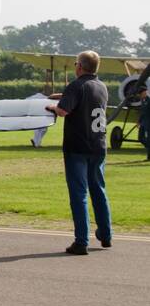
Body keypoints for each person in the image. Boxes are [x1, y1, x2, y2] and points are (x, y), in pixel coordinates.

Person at [45, 50, 111, 255]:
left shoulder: (76, 85)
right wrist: (62, 96)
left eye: (75, 64)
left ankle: (81, 241)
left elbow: (64, 110)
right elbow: (81, 101)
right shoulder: (101, 86)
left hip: (78, 147)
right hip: (98, 145)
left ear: (80, 66)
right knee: (98, 190)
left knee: (79, 194)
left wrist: (52, 107)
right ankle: (106, 234)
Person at [137, 84, 149, 161]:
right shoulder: (143, 100)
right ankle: (148, 147)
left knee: (149, 139)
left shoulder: (149, 100)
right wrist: (138, 121)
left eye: (141, 93)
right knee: (140, 138)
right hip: (143, 123)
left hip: (149, 123)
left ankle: (149, 157)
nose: (140, 95)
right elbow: (142, 112)